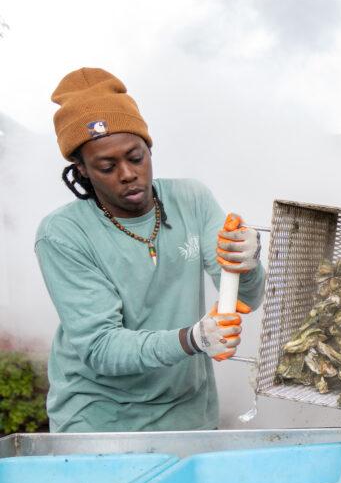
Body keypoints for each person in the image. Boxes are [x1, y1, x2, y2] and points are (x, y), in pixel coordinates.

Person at [35, 67, 266, 432]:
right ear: (81, 170)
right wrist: (191, 338)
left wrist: (247, 263)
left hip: (187, 412)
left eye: (135, 156)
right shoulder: (63, 234)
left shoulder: (192, 200)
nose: (127, 173)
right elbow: (101, 348)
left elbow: (243, 299)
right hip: (99, 419)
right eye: (107, 166)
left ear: (149, 147)